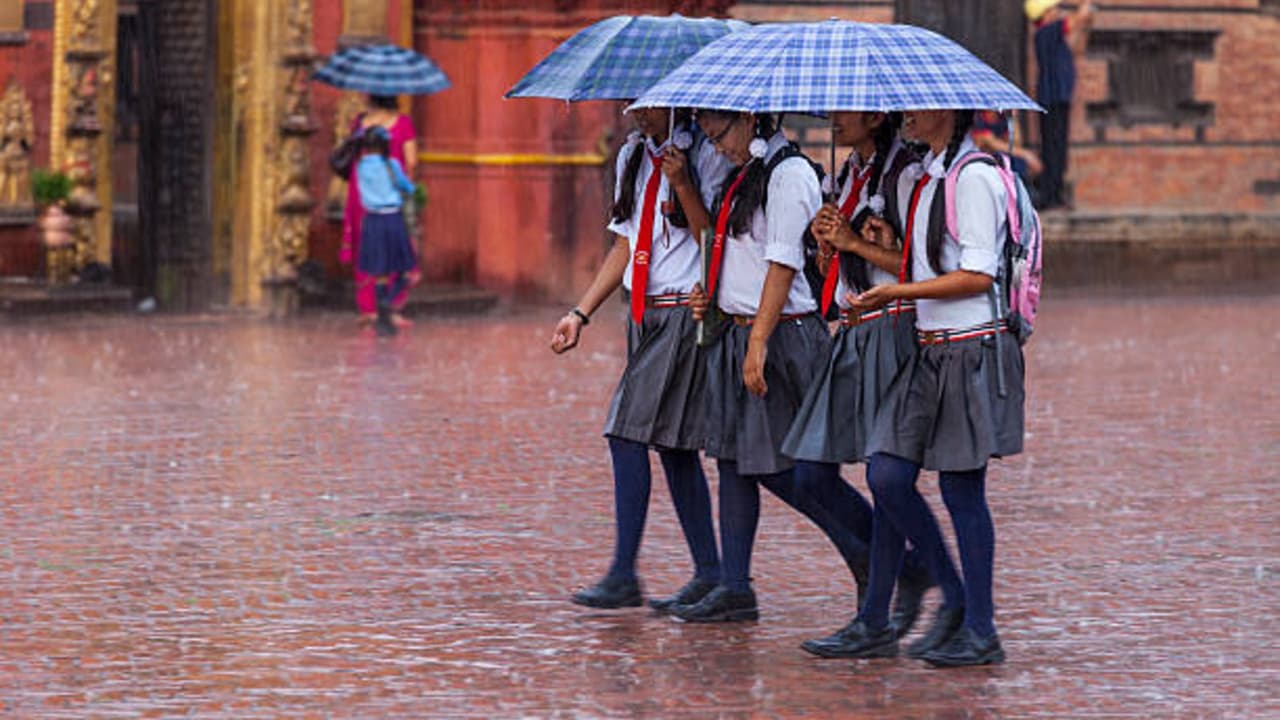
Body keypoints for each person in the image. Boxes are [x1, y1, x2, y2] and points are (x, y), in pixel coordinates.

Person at [819, 108, 1025, 667]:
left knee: (962, 490)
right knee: (887, 473)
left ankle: (981, 630)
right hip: (932, 348)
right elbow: (939, 256)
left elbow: (978, 275)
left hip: (968, 346)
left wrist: (896, 290)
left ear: (948, 113)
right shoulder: (934, 177)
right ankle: (954, 598)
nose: (908, 114)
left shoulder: (973, 177)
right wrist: (887, 244)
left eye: (920, 106)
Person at [676, 110, 871, 624]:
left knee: (791, 472)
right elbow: (734, 250)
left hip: (784, 335)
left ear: (750, 121)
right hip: (740, 329)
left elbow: (783, 264)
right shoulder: (742, 174)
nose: (715, 148)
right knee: (735, 462)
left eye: (719, 134)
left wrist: (758, 341)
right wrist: (713, 296)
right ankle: (736, 585)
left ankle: (872, 553)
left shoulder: (790, 175)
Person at [551, 107, 727, 612]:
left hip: (680, 312)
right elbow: (626, 243)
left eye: (647, 104)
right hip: (643, 314)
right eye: (632, 103)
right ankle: (710, 571)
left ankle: (624, 572)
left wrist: (684, 183)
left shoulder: (706, 155)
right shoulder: (634, 154)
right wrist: (581, 312)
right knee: (674, 447)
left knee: (625, 433)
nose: (636, 112)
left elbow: (711, 238)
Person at [778, 112, 936, 656]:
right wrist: (828, 248)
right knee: (810, 473)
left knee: (882, 472)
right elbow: (840, 268)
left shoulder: (908, 176)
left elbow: (925, 267)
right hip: (852, 332)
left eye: (843, 112)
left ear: (873, 116)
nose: (832, 120)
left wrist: (856, 243)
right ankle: (907, 571)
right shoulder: (850, 174)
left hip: (894, 330)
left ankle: (875, 616)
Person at [342, 94, 420, 327]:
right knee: (395, 250)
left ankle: (368, 308)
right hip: (391, 196)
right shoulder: (403, 124)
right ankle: (391, 306)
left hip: (361, 194)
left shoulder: (359, 123)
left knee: (365, 247)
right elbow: (412, 162)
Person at [1027, 0, 1094, 210]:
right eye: (1054, 8)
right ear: (1044, 14)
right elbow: (1076, 19)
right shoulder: (1046, 32)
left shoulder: (1055, 36)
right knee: (1052, 148)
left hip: (1060, 97)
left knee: (1059, 148)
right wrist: (1085, 6)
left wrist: (1085, 24)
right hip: (1051, 97)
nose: (1058, 11)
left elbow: (1078, 45)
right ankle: (1049, 196)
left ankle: (1055, 194)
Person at [355, 127, 418, 337]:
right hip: (392, 218)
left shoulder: (361, 166)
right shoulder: (391, 165)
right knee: (403, 268)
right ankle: (387, 303)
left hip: (372, 220)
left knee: (380, 271)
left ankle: (381, 306)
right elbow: (407, 187)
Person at [971, 110, 1042, 195]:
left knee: (1018, 162)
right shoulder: (978, 118)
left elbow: (1016, 143)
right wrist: (1026, 155)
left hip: (1003, 160)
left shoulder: (1001, 117)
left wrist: (1013, 118)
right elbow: (994, 144)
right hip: (984, 163)